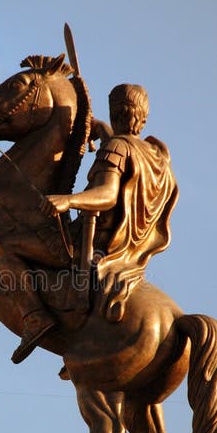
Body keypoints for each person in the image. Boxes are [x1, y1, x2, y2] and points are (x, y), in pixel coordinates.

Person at [42, 83, 178, 324]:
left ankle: (35, 318)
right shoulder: (157, 157)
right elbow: (124, 148)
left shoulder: (118, 147)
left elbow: (108, 194)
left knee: (7, 247)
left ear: (115, 112)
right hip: (128, 253)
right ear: (143, 115)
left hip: (89, 244)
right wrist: (99, 128)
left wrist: (68, 200)